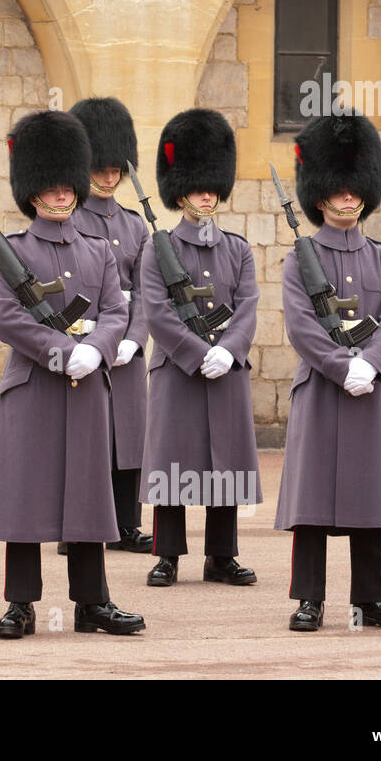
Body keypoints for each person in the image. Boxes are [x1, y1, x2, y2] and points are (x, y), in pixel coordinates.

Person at [0, 109, 146, 639]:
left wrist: (95, 349)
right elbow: (8, 317)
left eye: (64, 185)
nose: (58, 195)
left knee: (89, 494)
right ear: (32, 192)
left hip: (88, 386)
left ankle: (93, 602)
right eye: (46, 187)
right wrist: (58, 351)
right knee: (25, 498)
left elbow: (117, 309)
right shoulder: (13, 250)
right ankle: (20, 603)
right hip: (32, 389)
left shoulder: (97, 251)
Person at [276, 114, 381, 632]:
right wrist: (342, 366)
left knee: (367, 498)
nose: (347, 199)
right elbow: (301, 326)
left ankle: (371, 598)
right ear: (320, 197)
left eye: (354, 190)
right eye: (336, 191)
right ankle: (309, 598)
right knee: (312, 502)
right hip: (321, 388)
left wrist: (372, 365)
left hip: (371, 390)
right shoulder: (302, 258)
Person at [140, 107, 262, 588]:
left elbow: (248, 304)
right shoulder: (158, 247)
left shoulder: (238, 248)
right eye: (196, 187)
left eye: (212, 186)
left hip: (226, 369)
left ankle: (221, 556)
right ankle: (167, 554)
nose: (206, 195)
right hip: (177, 370)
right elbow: (157, 311)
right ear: (181, 191)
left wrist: (229, 351)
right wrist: (195, 353)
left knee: (224, 462)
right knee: (174, 461)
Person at [67, 97, 152, 554]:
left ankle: (126, 524)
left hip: (126, 348)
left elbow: (146, 291)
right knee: (87, 438)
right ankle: (77, 524)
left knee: (128, 436)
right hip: (85, 337)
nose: (107, 174)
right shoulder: (71, 218)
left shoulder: (135, 226)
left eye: (114, 166)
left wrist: (136, 340)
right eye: (99, 167)